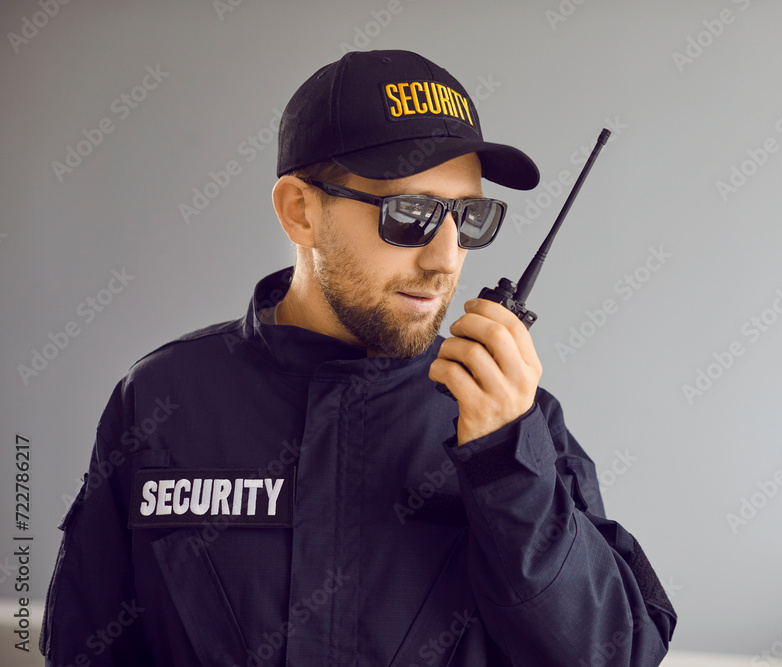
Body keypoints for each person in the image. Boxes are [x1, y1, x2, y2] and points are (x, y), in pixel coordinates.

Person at [41, 49, 676, 666]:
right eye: (411, 213)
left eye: (469, 216)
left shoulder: (514, 421)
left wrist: (506, 465)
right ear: (300, 212)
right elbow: (86, 645)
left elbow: (616, 655)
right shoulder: (162, 400)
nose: (446, 259)